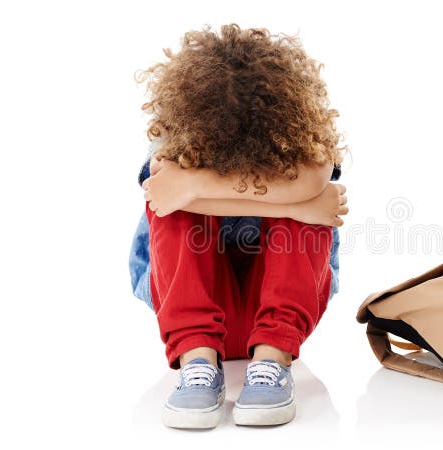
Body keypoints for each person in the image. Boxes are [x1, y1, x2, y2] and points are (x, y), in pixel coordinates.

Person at [128, 24, 348, 428]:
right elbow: (163, 194)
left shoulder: (300, 140)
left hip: (281, 318)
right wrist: (299, 204)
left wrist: (193, 187)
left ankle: (270, 365)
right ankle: (197, 366)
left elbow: (316, 177)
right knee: (173, 210)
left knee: (301, 203)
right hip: (188, 316)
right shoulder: (174, 142)